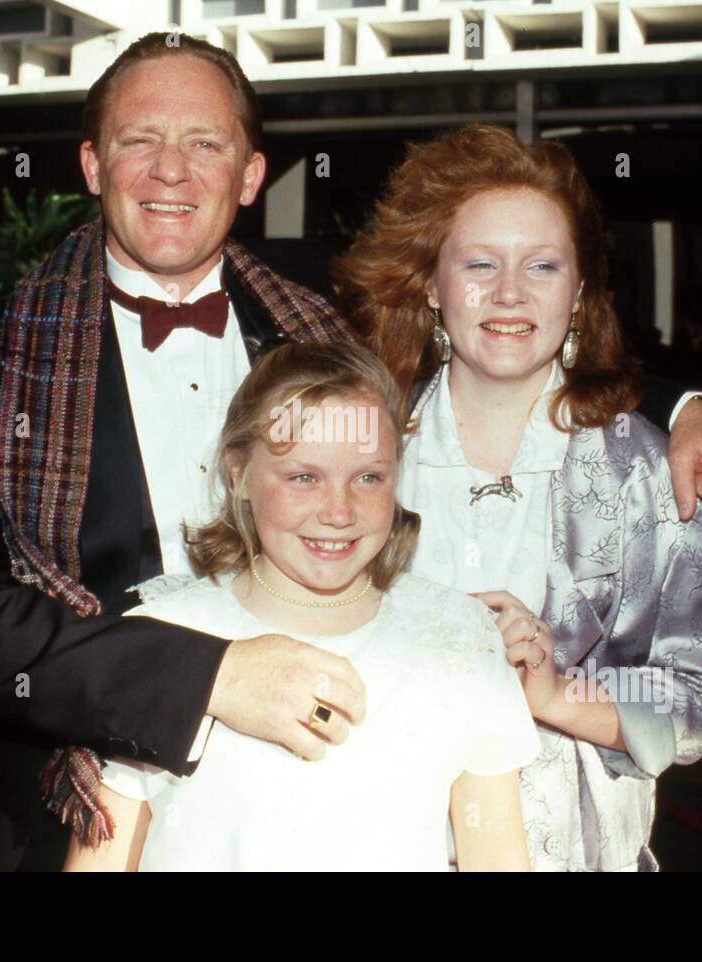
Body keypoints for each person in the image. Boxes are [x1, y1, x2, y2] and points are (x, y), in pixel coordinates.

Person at [0, 31, 702, 871]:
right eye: (140, 141)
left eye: (206, 142)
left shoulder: (315, 312)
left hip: (357, 810)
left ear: (249, 175)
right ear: (91, 164)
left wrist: (679, 409)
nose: (171, 170)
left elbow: (506, 323)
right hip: (61, 804)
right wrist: (208, 674)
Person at [335, 124, 702, 870]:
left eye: (542, 265)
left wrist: (558, 693)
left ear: (580, 291)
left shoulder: (648, 472)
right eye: (478, 263)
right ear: (432, 284)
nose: (508, 293)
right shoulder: (359, 453)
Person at [56, 342, 540, 870]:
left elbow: (496, 857)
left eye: (368, 477)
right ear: (238, 472)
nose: (339, 511)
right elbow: (102, 858)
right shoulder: (162, 636)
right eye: (303, 477)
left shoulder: (461, 638)